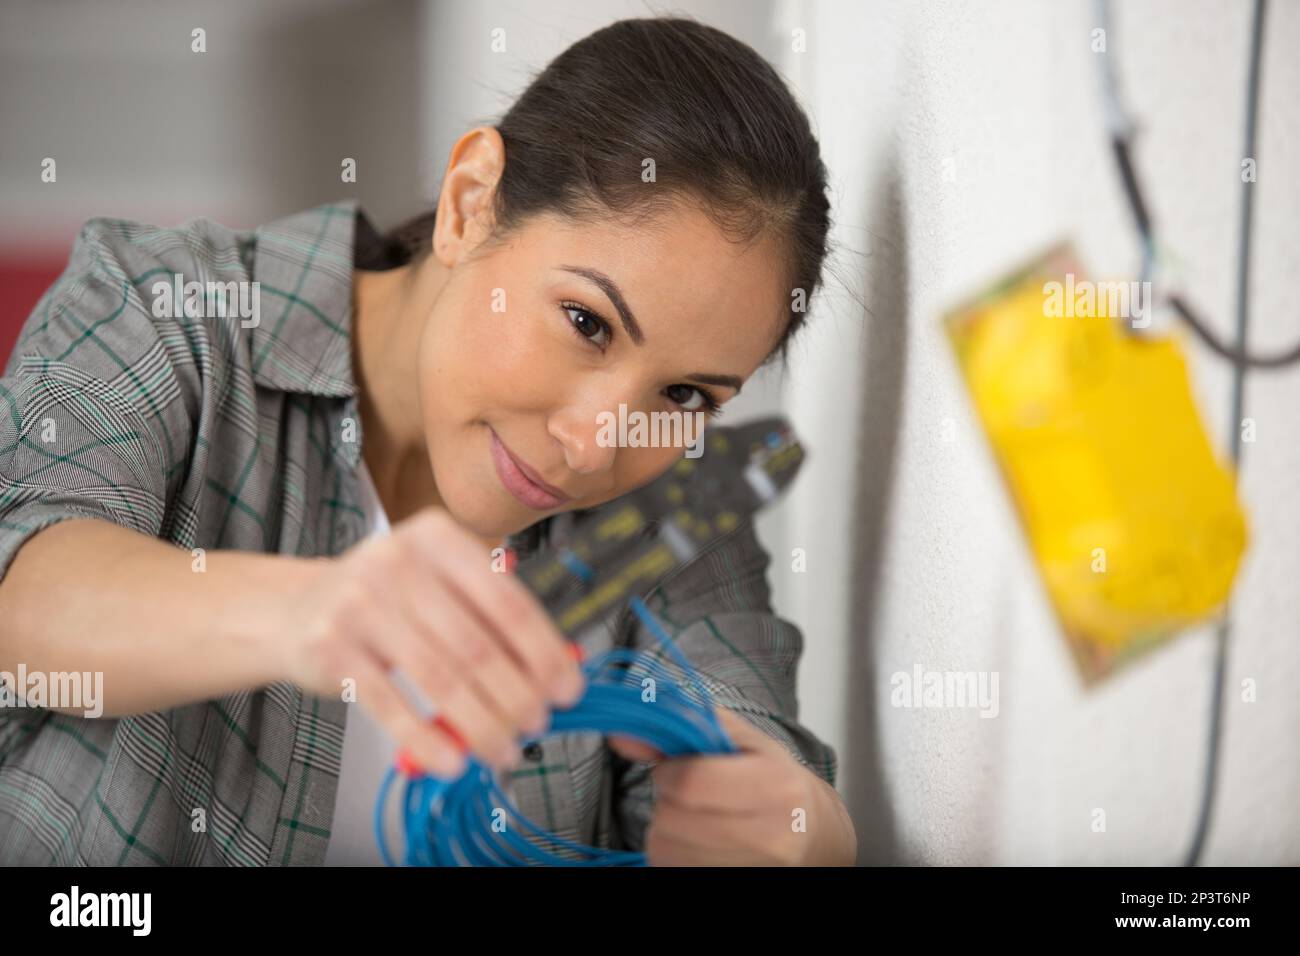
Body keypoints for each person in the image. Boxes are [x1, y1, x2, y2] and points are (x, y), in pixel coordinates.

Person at [0, 16, 855, 865]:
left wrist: (804, 828)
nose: (597, 447)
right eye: (586, 322)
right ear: (470, 204)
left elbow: (760, 753)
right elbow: (25, 598)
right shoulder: (170, 308)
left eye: (683, 394)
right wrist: (309, 611)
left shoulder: (668, 517)